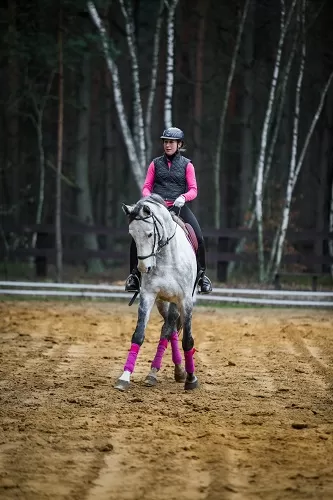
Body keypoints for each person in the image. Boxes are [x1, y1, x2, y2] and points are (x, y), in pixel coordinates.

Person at [125, 126, 213, 294]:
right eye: (165, 142)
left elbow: (194, 189)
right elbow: (146, 187)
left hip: (178, 206)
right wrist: (149, 199)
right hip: (157, 208)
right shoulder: (155, 164)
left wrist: (183, 197)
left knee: (198, 238)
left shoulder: (187, 165)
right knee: (138, 237)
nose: (168, 145)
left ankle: (202, 277)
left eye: (171, 142)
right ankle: (134, 277)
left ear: (179, 144)